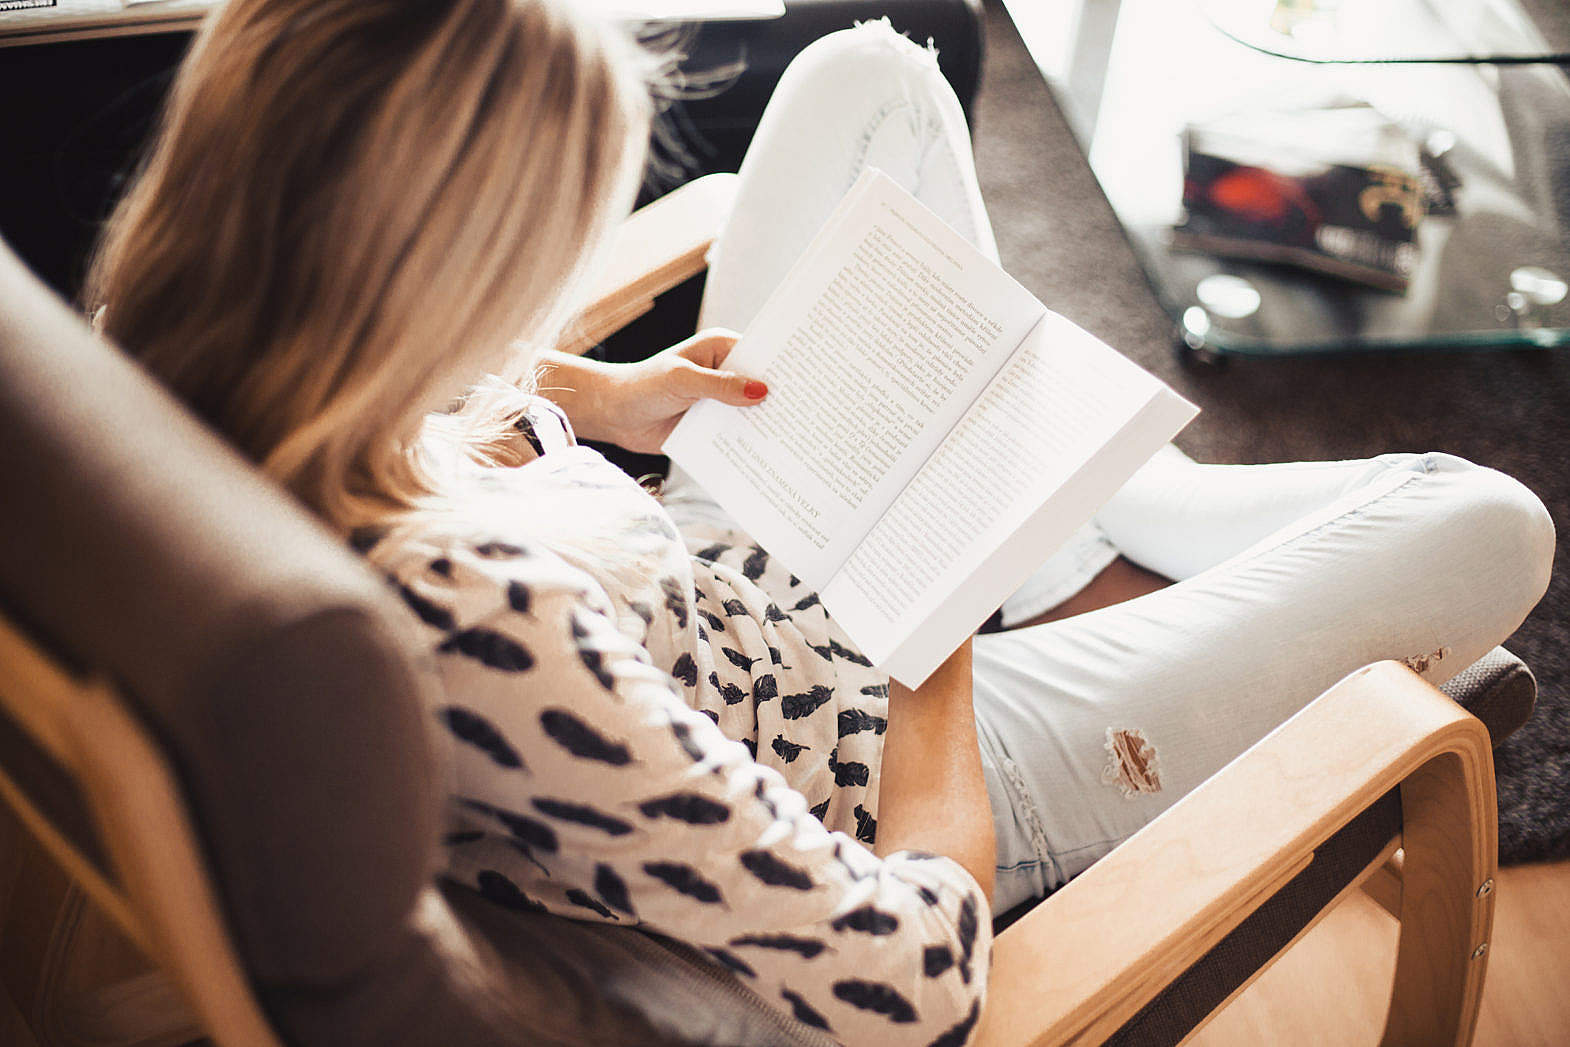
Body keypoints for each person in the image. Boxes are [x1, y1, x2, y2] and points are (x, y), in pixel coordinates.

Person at [85, 1, 1555, 1043]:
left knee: (873, 71)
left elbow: (413, 383)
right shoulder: (488, 634)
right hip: (892, 747)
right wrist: (941, 630)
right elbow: (909, 980)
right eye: (536, 255)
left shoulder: (153, 358)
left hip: (708, 569)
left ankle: (1081, 491)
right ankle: (1068, 502)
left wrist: (599, 396)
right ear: (439, 270)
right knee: (1480, 519)